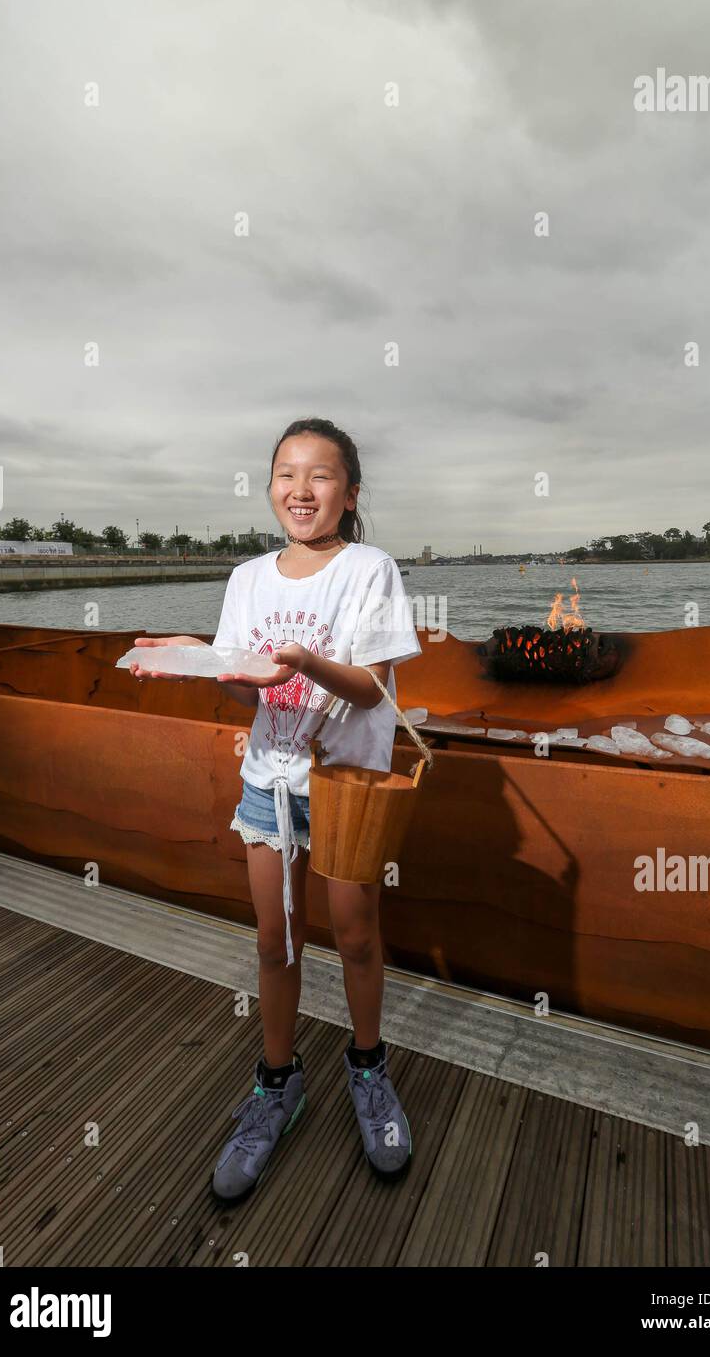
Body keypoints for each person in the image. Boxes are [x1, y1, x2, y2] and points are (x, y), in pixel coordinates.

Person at [128, 418, 422, 1203]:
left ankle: (368, 1070)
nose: (301, 488)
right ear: (269, 487)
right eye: (285, 473)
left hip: (344, 785)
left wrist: (305, 660)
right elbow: (242, 684)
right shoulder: (247, 578)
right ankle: (278, 1083)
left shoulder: (370, 568)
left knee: (356, 937)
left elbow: (373, 687)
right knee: (274, 943)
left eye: (320, 475)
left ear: (350, 493)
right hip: (268, 780)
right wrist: (198, 663)